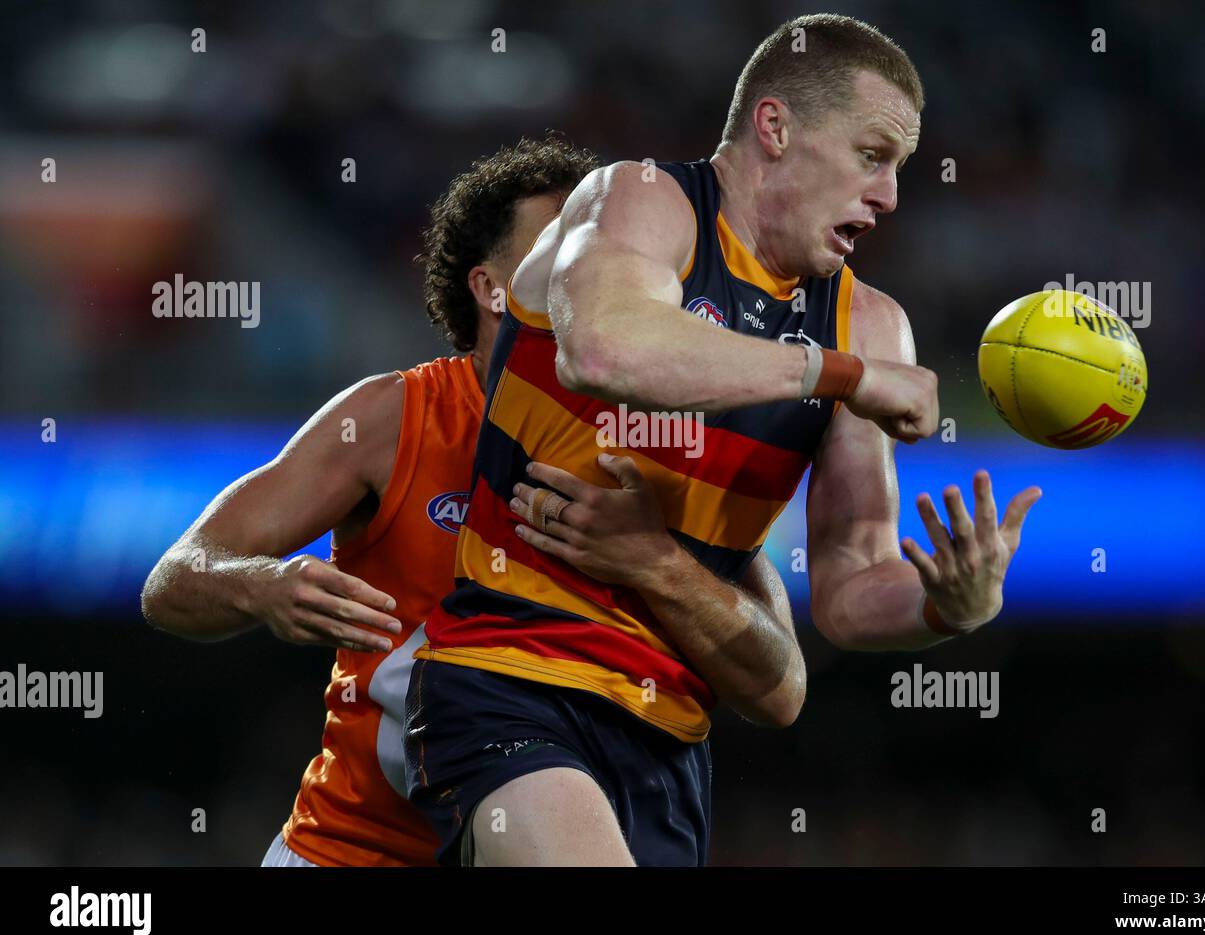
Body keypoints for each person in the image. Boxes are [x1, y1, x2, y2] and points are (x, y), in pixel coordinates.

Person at [406, 14, 1041, 867]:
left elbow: (851, 587)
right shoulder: (639, 201)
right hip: (510, 678)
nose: (889, 195)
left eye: (899, 168)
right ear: (775, 127)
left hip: (669, 736)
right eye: (871, 155)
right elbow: (604, 350)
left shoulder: (870, 325)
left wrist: (947, 609)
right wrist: (840, 376)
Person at [141, 136, 804, 867]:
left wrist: (656, 562)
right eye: (566, 246)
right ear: (492, 290)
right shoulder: (395, 419)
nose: (594, 267)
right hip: (357, 853)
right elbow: (174, 579)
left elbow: (778, 689)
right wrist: (263, 586)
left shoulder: (670, 445)